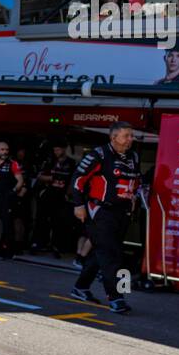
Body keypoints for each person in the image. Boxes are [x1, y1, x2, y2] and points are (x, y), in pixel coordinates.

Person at [69, 122, 142, 314]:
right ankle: (116, 297)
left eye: (131, 135)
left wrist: (134, 196)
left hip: (123, 213)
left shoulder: (133, 156)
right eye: (126, 135)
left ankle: (80, 287)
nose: (130, 139)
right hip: (100, 212)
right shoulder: (99, 154)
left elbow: (136, 181)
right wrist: (78, 204)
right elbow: (78, 178)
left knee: (102, 252)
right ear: (113, 137)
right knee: (111, 255)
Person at [30, 141, 76, 256]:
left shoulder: (71, 163)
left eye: (58, 150)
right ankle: (38, 243)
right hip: (48, 193)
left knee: (59, 221)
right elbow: (40, 176)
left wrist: (69, 192)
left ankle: (56, 245)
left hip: (62, 196)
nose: (56, 152)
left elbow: (73, 179)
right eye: (55, 150)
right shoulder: (50, 161)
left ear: (64, 149)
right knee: (42, 219)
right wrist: (51, 177)